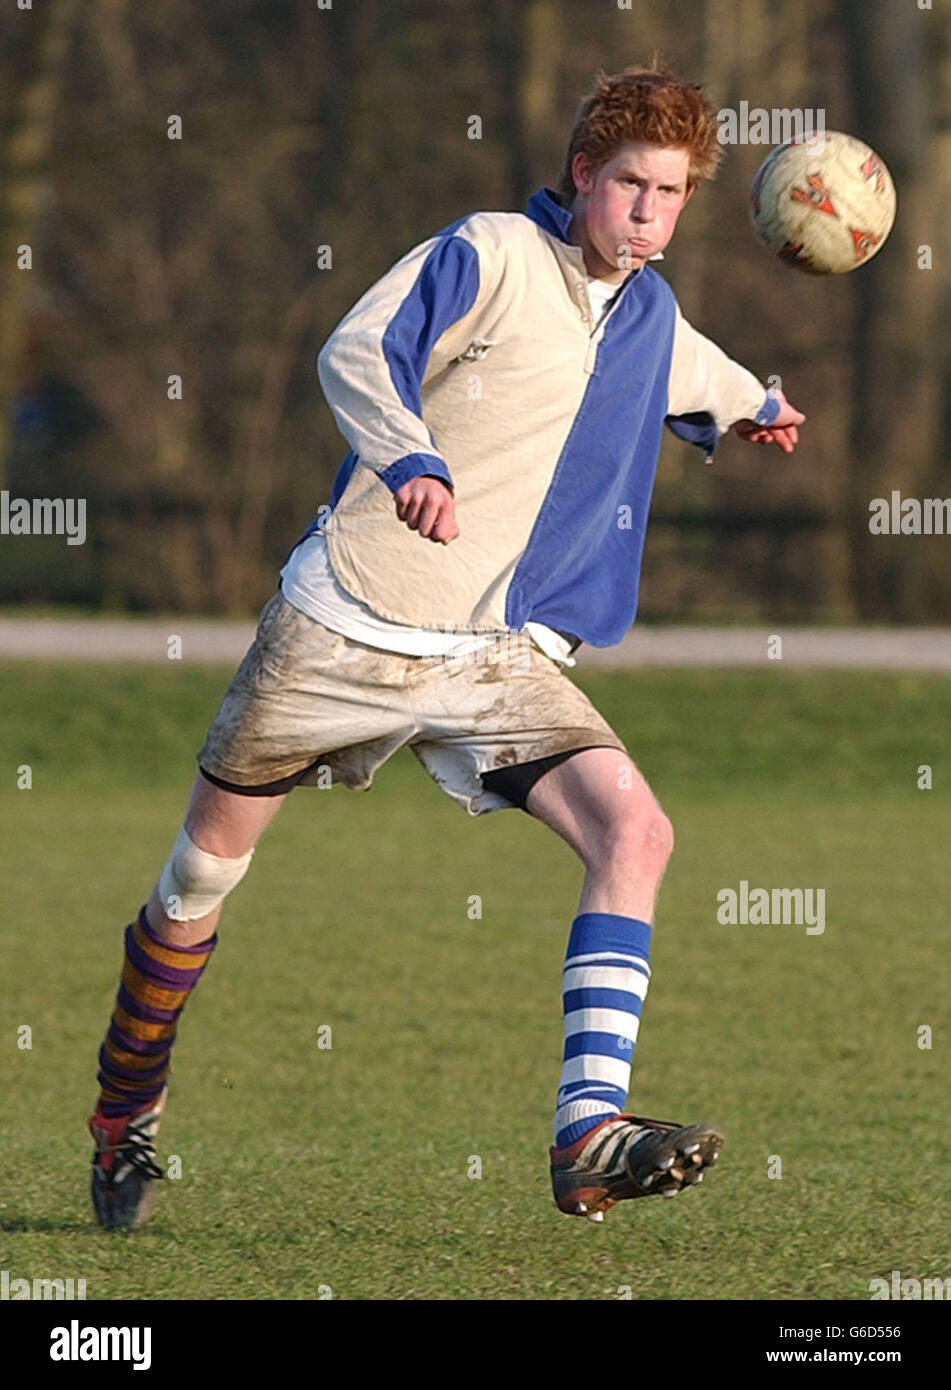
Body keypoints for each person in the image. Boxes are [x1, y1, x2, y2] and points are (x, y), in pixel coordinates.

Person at [88, 63, 804, 1229]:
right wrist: (410, 456)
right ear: (583, 174)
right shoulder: (489, 252)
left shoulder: (649, 310)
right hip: (343, 625)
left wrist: (754, 402)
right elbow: (355, 352)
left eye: (671, 195)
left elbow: (691, 368)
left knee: (639, 830)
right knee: (196, 884)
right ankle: (126, 1110)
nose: (647, 214)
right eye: (629, 184)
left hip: (489, 657)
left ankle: (588, 1133)